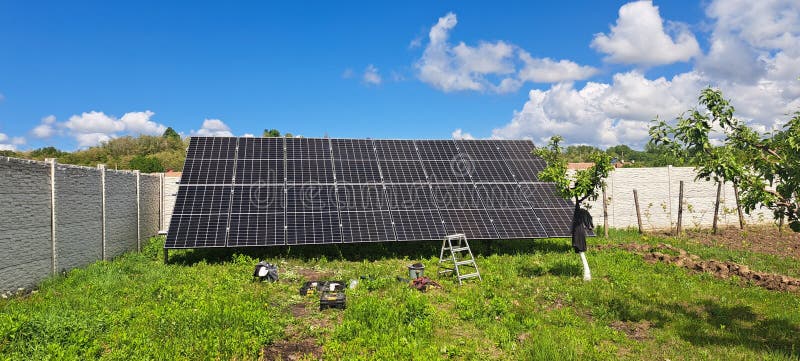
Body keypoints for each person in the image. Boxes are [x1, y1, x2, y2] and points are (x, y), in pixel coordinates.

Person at [572, 206, 593, 281]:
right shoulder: (578, 219)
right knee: (580, 250)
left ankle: (587, 274)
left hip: (579, 234)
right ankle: (587, 272)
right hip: (578, 233)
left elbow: (589, 223)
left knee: (580, 249)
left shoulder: (579, 219)